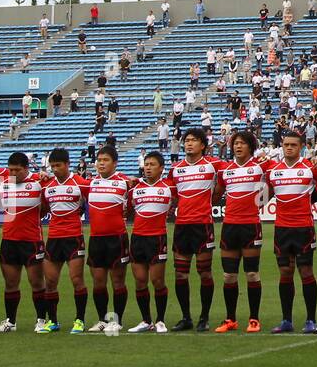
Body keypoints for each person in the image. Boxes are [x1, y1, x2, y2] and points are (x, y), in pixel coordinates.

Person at [262, 128, 317, 334]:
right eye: (286, 144)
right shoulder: (272, 169)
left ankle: (310, 320)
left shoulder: (310, 167)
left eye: (293, 145)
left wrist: (308, 201)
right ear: (282, 146)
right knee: (285, 272)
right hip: (282, 229)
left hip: (304, 228)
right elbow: (263, 195)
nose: (289, 148)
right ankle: (286, 320)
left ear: (301, 147)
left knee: (306, 271)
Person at [165, 127, 221, 331]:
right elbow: (170, 194)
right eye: (186, 140)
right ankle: (186, 317)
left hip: (203, 226)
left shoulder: (214, 165)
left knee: (205, 273)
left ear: (203, 145)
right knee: (181, 274)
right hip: (181, 227)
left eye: (193, 140)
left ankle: (204, 318)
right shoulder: (175, 168)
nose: (188, 143)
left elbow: (225, 182)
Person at [213, 130, 266, 333]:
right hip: (229, 226)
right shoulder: (225, 170)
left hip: (250, 225)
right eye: (235, 143)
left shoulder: (260, 167)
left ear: (250, 146)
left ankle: (254, 319)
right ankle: (230, 319)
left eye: (242, 143)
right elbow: (217, 194)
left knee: (252, 274)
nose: (238, 146)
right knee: (229, 276)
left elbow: (266, 192)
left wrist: (258, 204)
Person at [0, 152, 50, 333]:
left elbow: (46, 206)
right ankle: (10, 322)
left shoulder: (38, 182)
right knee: (11, 283)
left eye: (17, 170)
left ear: (26, 168)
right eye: (10, 170)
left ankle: (41, 320)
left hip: (31, 241)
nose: (13, 173)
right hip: (9, 240)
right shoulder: (3, 184)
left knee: (36, 282)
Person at [40, 148, 90, 332]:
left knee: (76, 279)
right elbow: (44, 209)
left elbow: (95, 194)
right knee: (50, 282)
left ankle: (80, 320)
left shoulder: (80, 183)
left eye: (58, 165)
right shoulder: (47, 186)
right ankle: (53, 321)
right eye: (52, 166)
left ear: (68, 164)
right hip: (53, 238)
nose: (55, 169)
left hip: (73, 238)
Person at [85, 145, 133, 331]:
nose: (101, 164)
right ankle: (102, 320)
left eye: (105, 160)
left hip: (117, 239)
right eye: (99, 160)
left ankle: (117, 320)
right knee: (98, 281)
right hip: (96, 239)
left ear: (115, 163)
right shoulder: (89, 183)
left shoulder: (125, 182)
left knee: (118, 281)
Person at [126, 152, 173, 333]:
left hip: (157, 238)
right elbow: (128, 211)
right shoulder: (134, 188)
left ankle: (160, 320)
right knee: (140, 281)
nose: (148, 167)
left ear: (161, 168)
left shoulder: (169, 187)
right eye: (146, 164)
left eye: (152, 164)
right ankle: (146, 320)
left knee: (157, 280)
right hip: (138, 238)